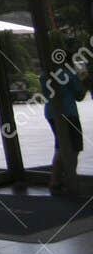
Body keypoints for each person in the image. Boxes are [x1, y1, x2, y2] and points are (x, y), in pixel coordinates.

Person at [45, 58, 88, 196]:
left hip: (51, 112)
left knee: (60, 146)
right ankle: (71, 179)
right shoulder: (69, 74)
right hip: (68, 113)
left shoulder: (44, 74)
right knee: (74, 147)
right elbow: (80, 95)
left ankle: (55, 180)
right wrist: (84, 80)